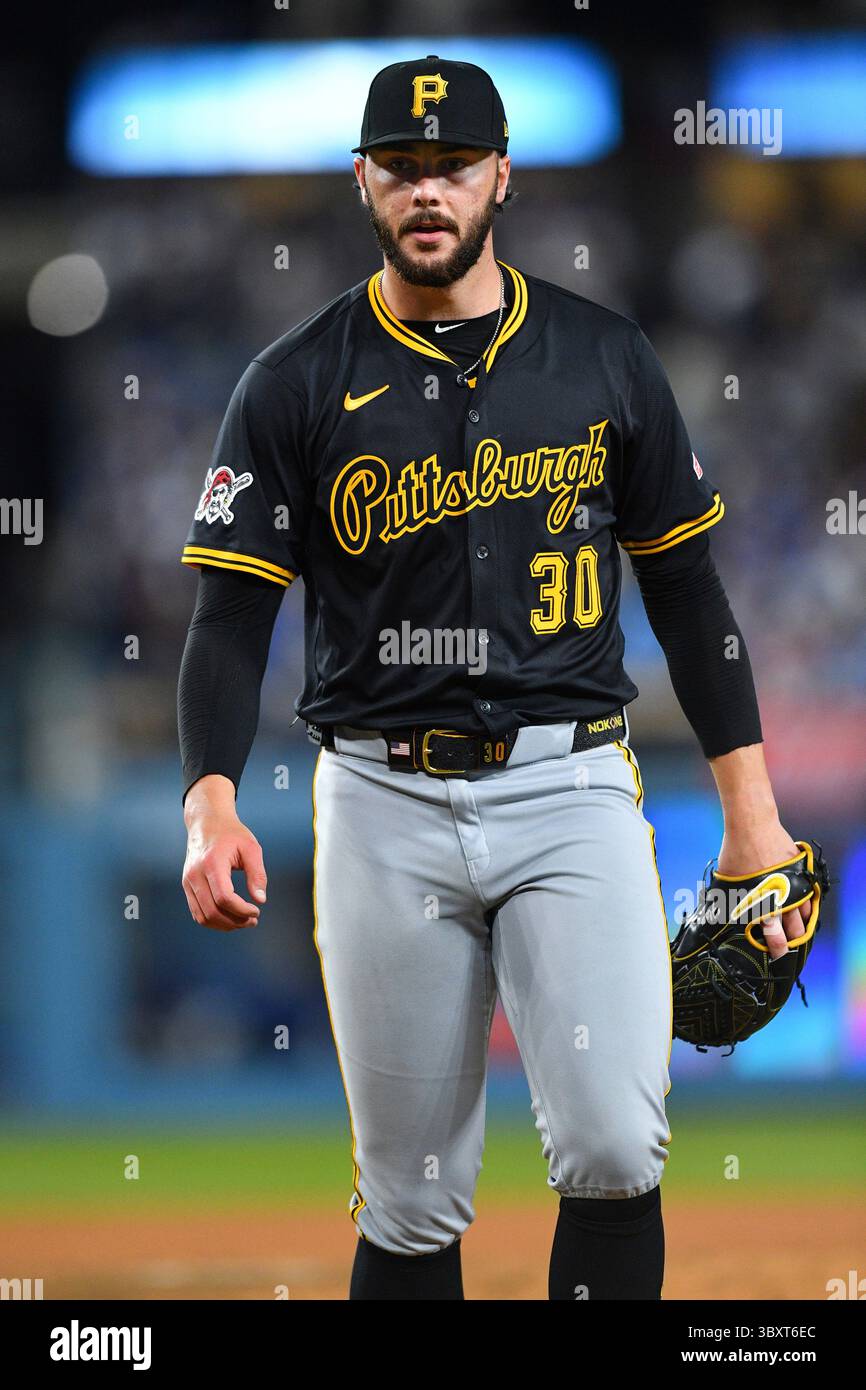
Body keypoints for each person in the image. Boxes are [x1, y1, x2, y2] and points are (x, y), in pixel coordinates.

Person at [177, 55, 812, 1301]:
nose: (428, 190)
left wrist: (751, 815)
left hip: (566, 787)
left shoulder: (603, 358)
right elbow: (228, 610)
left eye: (452, 165)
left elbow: (687, 594)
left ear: (500, 177)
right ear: (361, 179)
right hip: (379, 803)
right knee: (411, 1199)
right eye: (402, 167)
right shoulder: (293, 381)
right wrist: (208, 795)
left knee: (617, 1144)